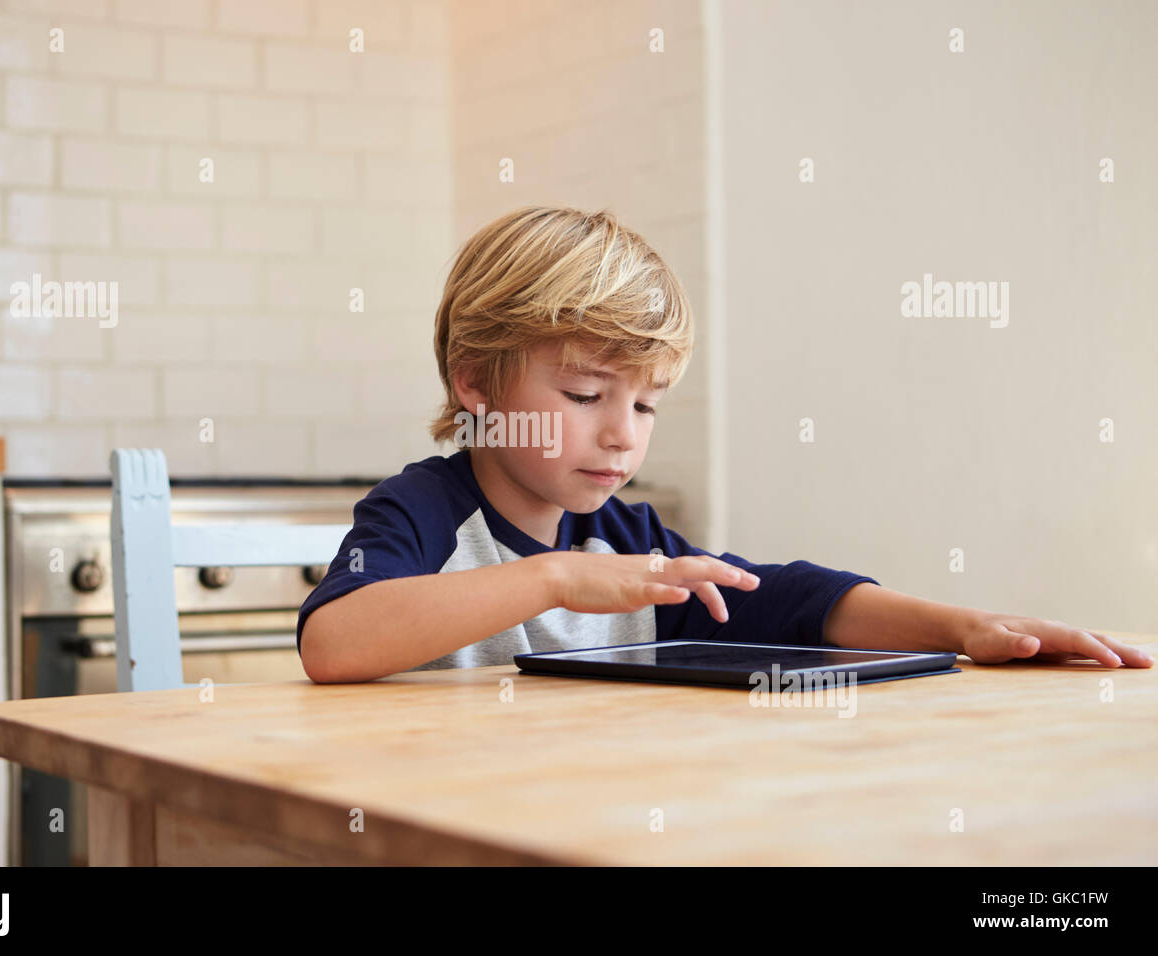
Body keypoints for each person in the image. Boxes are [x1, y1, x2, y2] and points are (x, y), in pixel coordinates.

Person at [297, 205, 1152, 683]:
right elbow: (335, 642)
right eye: (587, 394)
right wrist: (554, 577)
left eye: (648, 406)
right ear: (475, 382)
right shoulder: (424, 511)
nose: (620, 435)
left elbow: (784, 599)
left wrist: (964, 626)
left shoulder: (629, 542)